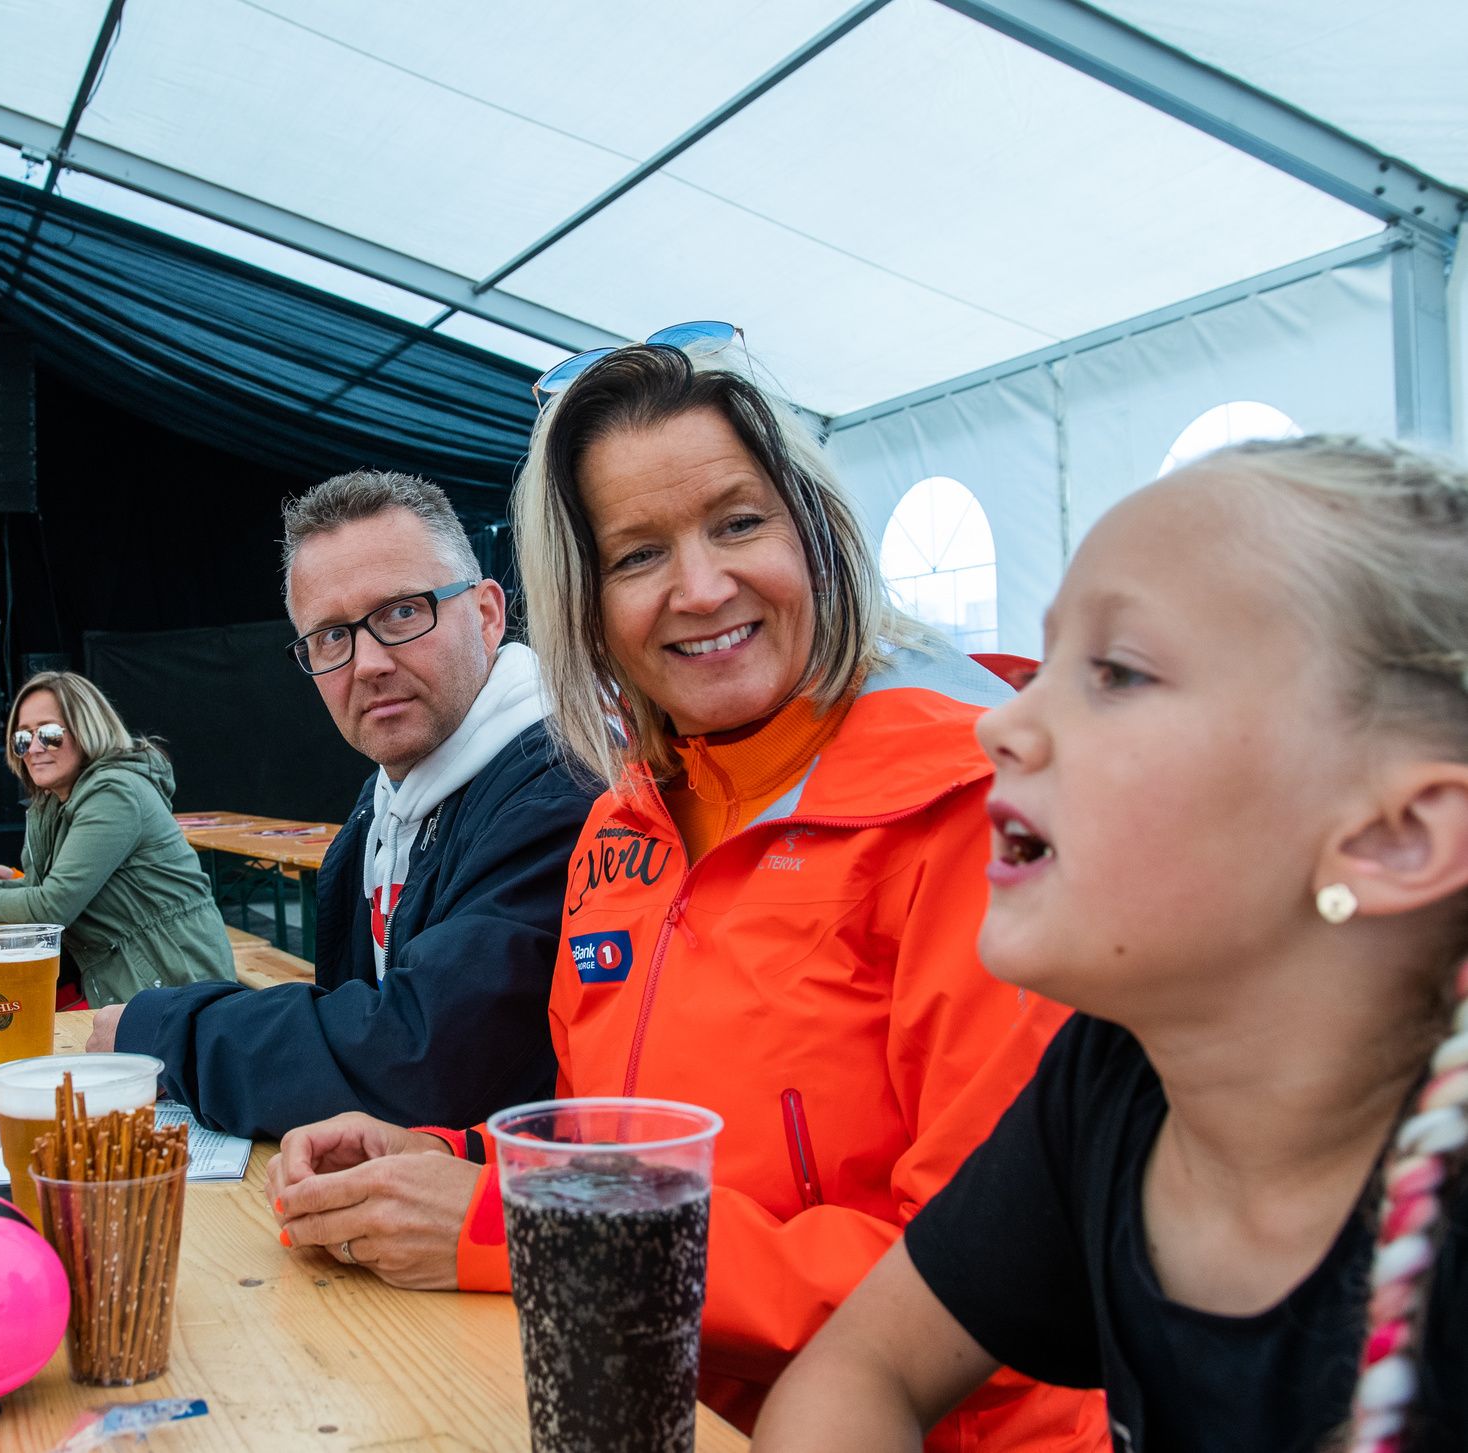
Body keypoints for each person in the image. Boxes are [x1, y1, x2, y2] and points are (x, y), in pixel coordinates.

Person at [268, 334, 1104, 1448]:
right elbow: (621, 1145)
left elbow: (977, 1271)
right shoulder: (624, 820)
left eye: (737, 521)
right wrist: (446, 1159)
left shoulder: (971, 815)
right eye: (635, 553)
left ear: (813, 533)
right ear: (585, 603)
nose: (699, 586)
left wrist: (520, 1223)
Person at [753, 436, 1468, 1453]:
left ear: (1394, 837)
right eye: (1043, 666)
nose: (1000, 723)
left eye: (1119, 673)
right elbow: (861, 1367)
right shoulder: (1116, 1079)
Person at [90, 470, 594, 1139]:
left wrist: (161, 1030)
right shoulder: (386, 797)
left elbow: (421, 1060)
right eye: (331, 635)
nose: (367, 663)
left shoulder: (561, 787)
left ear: (487, 613)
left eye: (402, 612)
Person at [0, 670, 237, 1007]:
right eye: (22, 738)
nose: (33, 748)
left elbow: (50, 908)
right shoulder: (58, 800)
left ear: (87, 729)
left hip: (175, 984)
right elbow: (42, 893)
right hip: (128, 978)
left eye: (48, 734)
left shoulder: (114, 793)